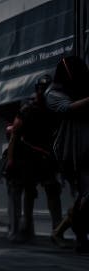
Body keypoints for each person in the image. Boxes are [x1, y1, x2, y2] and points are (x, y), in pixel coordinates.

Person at [9, 75, 66, 245]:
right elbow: (14, 135)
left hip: (47, 155)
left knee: (52, 190)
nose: (44, 92)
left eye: (47, 88)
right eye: (41, 89)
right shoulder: (28, 109)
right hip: (28, 156)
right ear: (37, 90)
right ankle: (26, 229)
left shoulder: (54, 109)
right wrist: (11, 159)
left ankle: (57, 230)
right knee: (29, 192)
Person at [46, 56, 89, 253]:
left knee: (84, 195)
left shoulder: (81, 89)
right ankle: (64, 232)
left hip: (84, 147)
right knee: (85, 195)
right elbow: (66, 108)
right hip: (73, 151)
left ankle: (77, 237)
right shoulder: (53, 93)